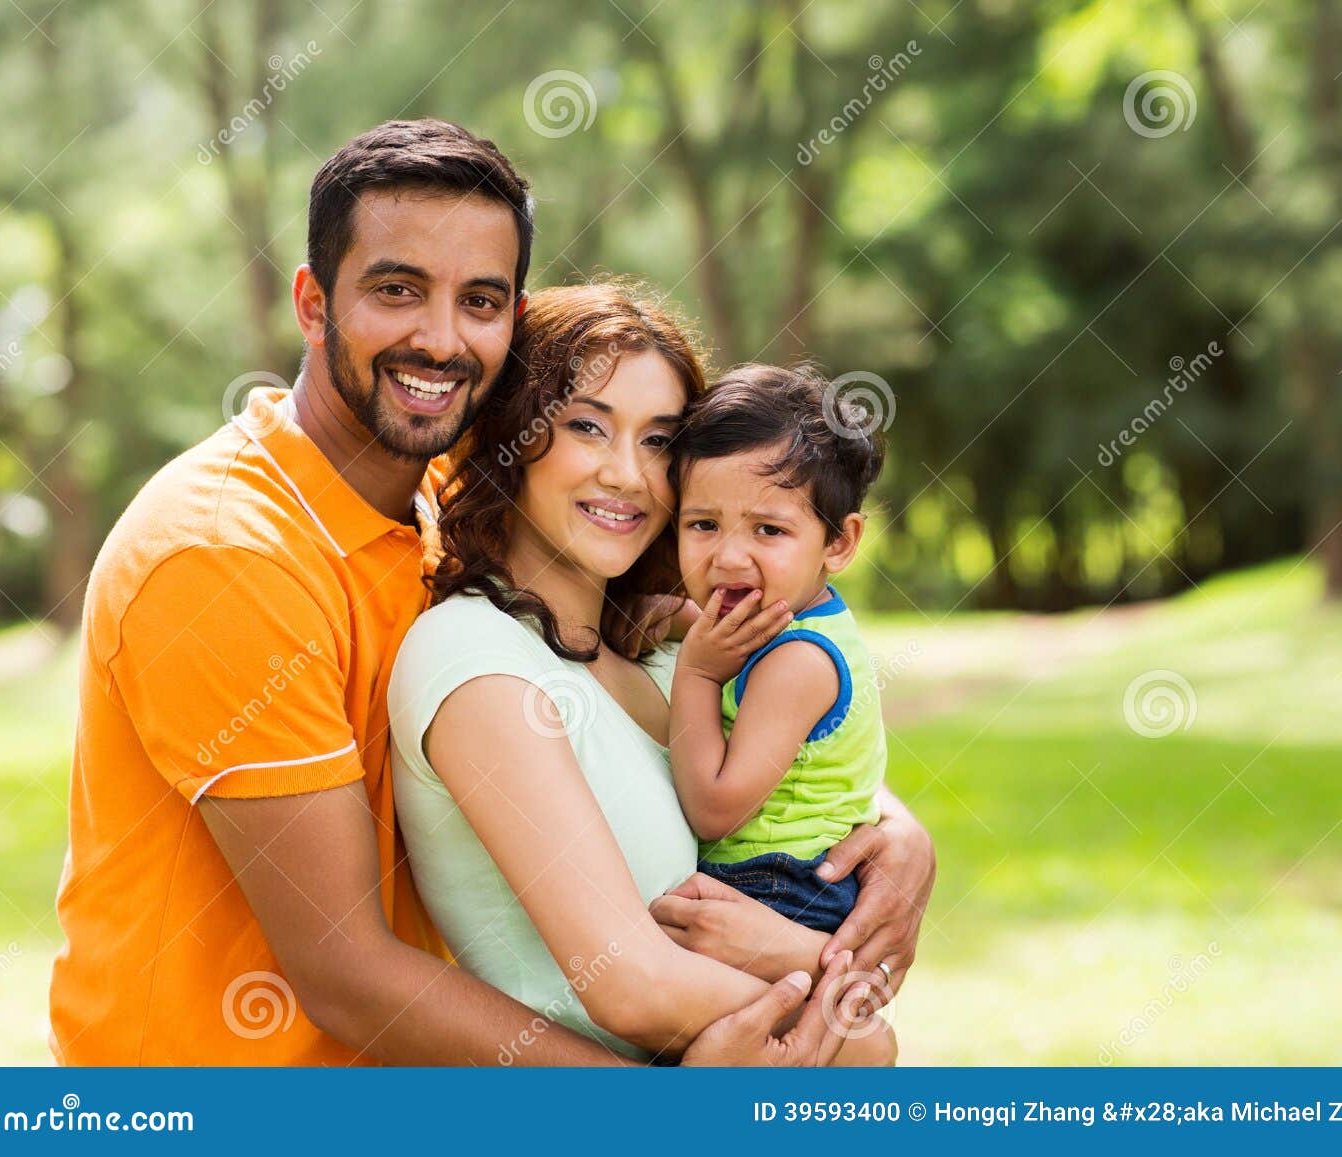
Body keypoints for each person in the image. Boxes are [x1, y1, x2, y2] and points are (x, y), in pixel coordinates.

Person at [49, 118, 887, 1066]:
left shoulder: (451, 514)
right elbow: (344, 971)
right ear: (313, 303)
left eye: (481, 300)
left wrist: (894, 839)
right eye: (397, 289)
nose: (441, 337)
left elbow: (749, 733)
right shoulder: (221, 555)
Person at [389, 284, 898, 1062]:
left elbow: (805, 774)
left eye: (660, 442)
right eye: (588, 427)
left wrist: (901, 835)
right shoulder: (473, 657)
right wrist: (845, 1002)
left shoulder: (662, 649)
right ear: (514, 438)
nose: (628, 474)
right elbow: (632, 986)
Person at [666, 365, 887, 936]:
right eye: (703, 524)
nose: (729, 557)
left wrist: (695, 674)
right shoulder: (789, 620)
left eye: (768, 530)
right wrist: (669, 618)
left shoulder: (797, 663)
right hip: (789, 884)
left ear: (839, 543)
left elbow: (714, 809)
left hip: (781, 891)